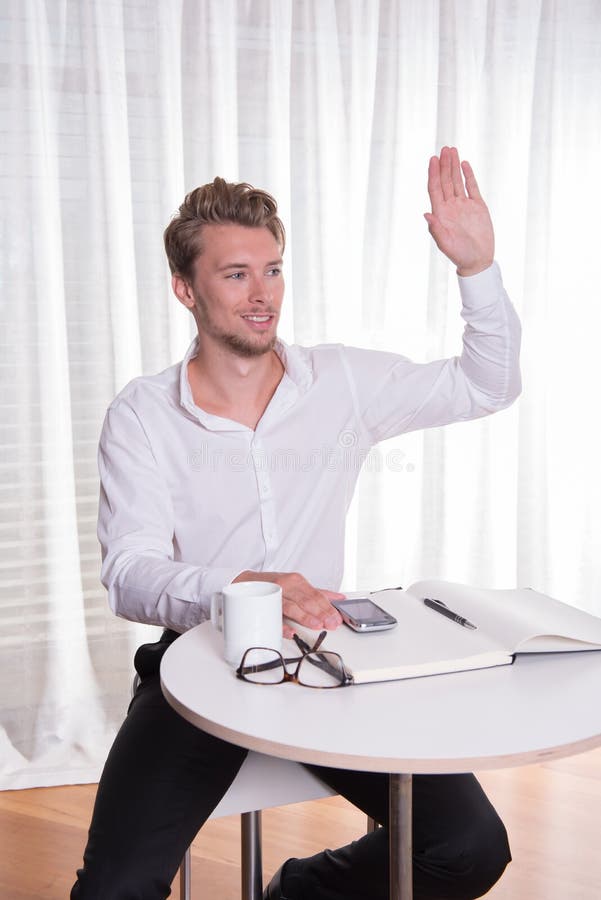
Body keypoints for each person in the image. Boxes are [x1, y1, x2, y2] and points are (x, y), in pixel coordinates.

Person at [71, 146, 521, 900]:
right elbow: (131, 573)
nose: (262, 295)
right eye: (235, 274)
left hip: (328, 664)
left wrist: (475, 268)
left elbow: (488, 384)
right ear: (185, 288)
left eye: (273, 269)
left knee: (469, 848)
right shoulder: (143, 414)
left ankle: (296, 895)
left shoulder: (343, 382)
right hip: (200, 666)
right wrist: (243, 587)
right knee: (114, 889)